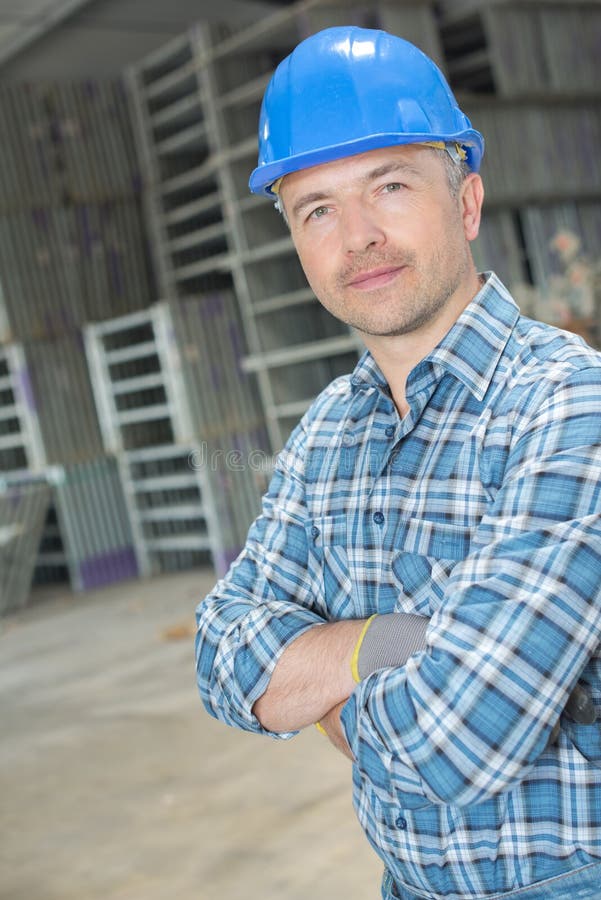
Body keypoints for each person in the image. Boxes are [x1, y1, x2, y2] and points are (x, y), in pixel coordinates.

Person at [195, 26, 601, 900]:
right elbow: (221, 656)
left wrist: (319, 679)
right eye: (317, 209)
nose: (358, 237)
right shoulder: (327, 433)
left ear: (465, 201)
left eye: (389, 185)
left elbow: (462, 738)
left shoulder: (571, 404)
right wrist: (391, 644)